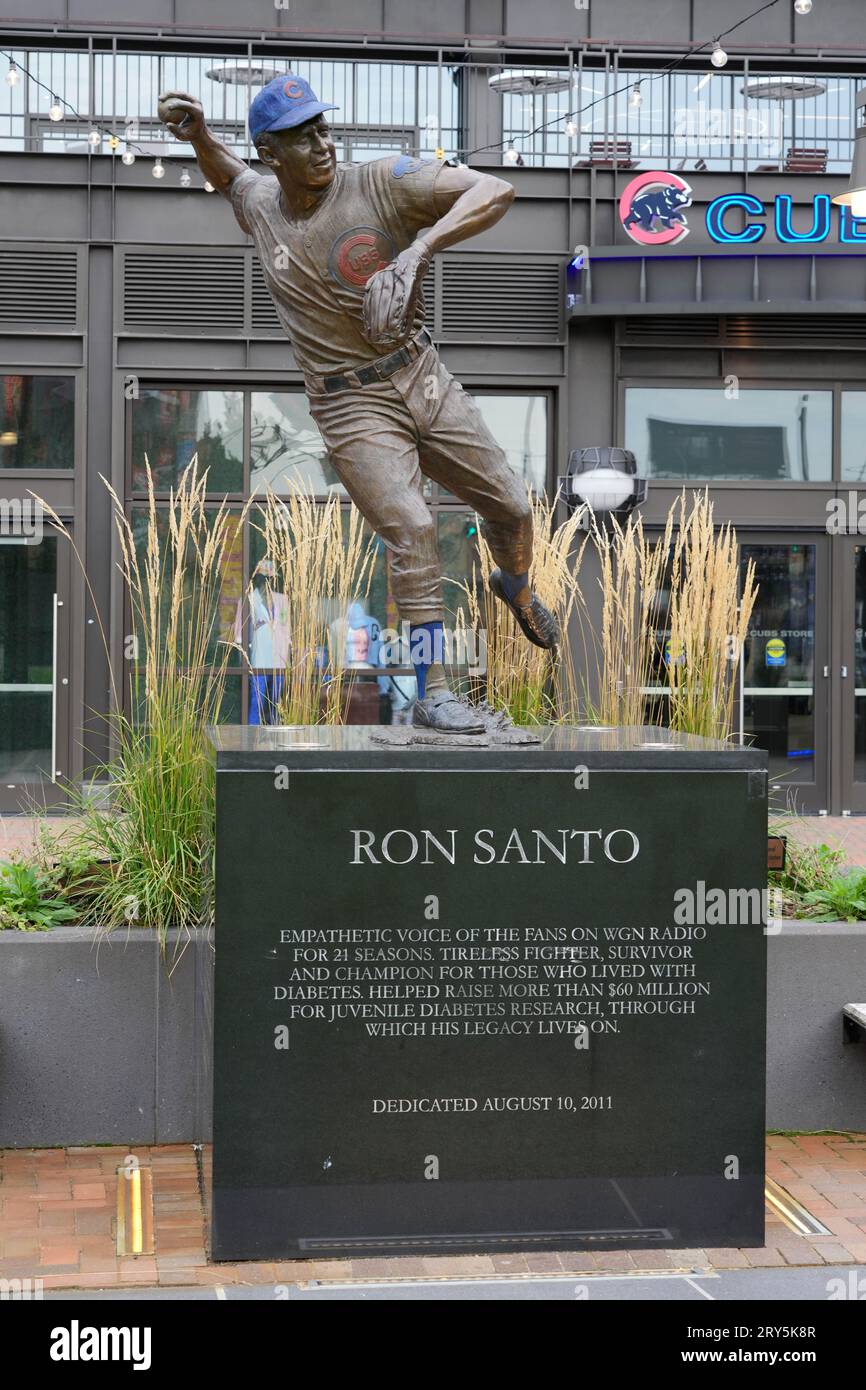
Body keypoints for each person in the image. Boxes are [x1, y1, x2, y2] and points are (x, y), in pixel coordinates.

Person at [158, 75, 558, 733]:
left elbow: (496, 190)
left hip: (421, 374)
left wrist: (418, 253)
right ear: (270, 153)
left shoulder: (382, 181)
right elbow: (228, 175)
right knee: (412, 525)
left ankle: (513, 584)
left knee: (512, 505)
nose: (322, 144)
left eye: (323, 128)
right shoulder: (261, 205)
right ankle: (434, 692)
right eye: (301, 137)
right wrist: (199, 133)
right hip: (349, 403)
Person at [233, 558, 290, 725]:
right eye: (264, 578)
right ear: (257, 579)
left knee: (277, 703)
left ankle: (277, 737)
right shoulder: (248, 600)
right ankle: (253, 736)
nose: (268, 583)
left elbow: (288, 632)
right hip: (259, 659)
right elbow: (239, 635)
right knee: (256, 700)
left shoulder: (283, 600)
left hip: (280, 659)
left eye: (271, 579)